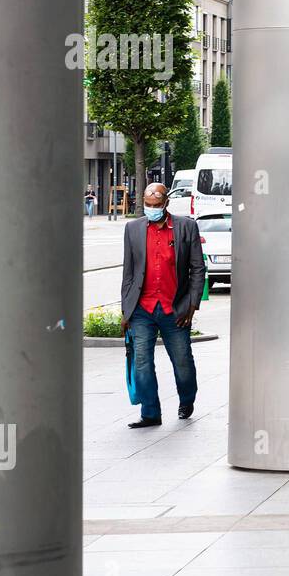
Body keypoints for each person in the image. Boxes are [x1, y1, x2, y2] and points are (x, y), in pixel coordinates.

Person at [119, 182, 205, 429]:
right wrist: (126, 310)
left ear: (166, 203)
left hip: (174, 309)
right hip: (142, 309)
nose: (152, 209)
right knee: (142, 362)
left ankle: (187, 400)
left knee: (182, 362)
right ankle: (150, 412)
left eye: (156, 205)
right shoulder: (132, 229)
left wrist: (191, 305)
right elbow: (129, 273)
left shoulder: (186, 227)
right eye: (148, 205)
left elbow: (197, 269)